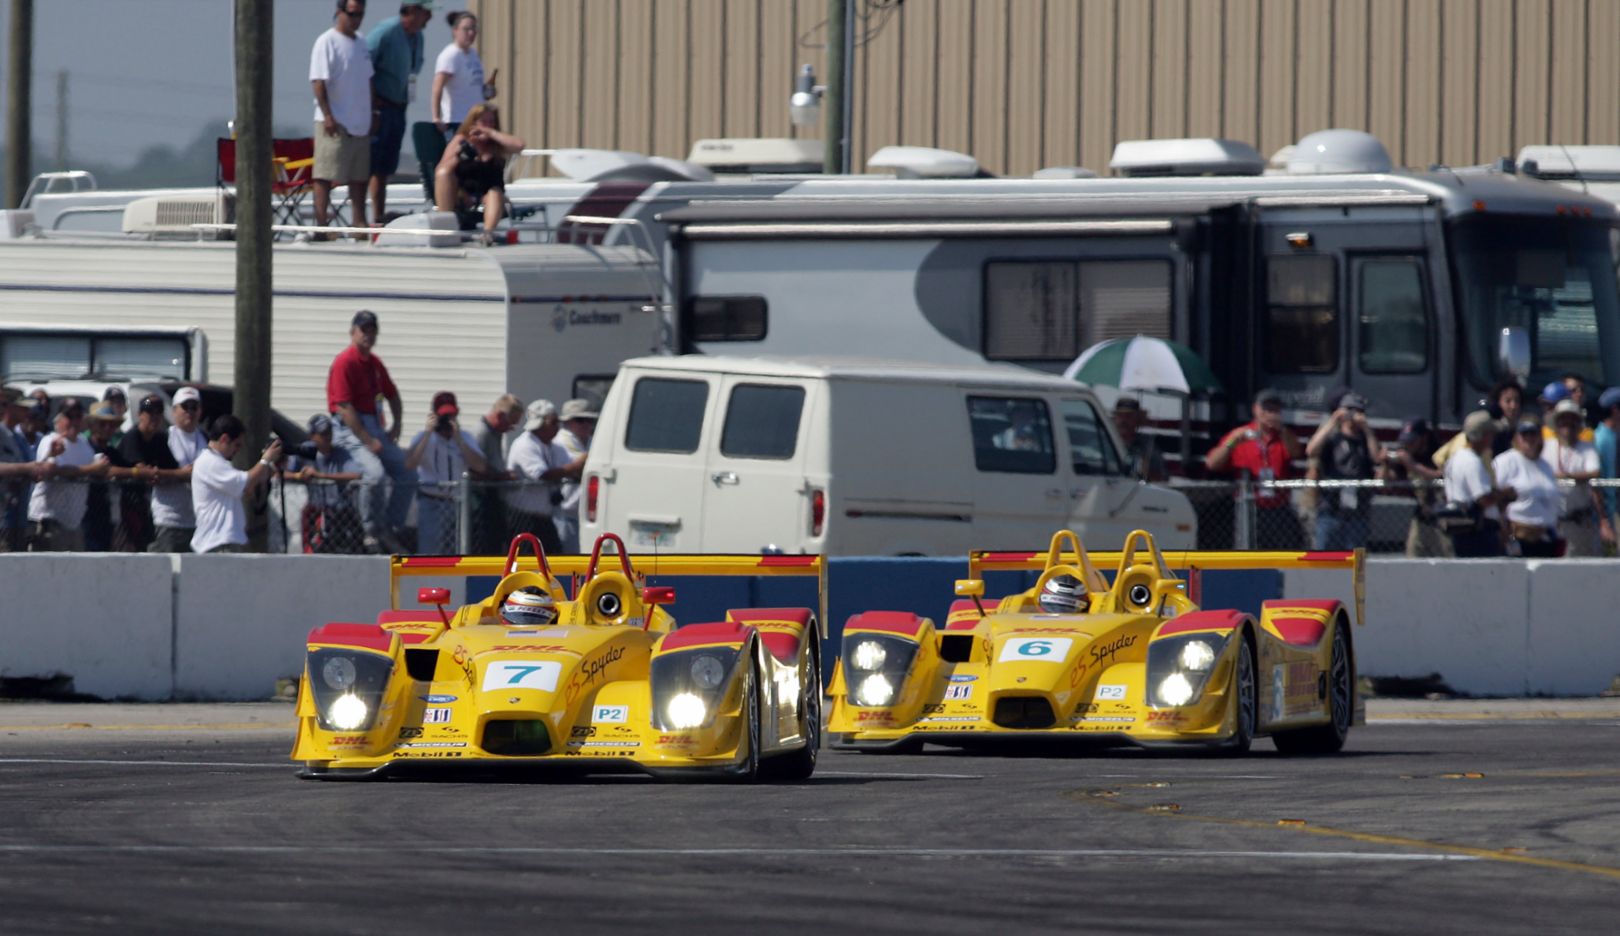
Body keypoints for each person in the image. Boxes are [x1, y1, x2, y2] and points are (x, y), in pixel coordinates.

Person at [327, 310, 413, 553]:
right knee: (374, 474)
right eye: (364, 330)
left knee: (408, 473)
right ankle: (370, 530)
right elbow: (344, 407)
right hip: (349, 427)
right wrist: (367, 439)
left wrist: (397, 424)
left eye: (372, 330)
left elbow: (392, 394)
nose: (368, 335)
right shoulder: (345, 361)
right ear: (352, 332)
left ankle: (390, 527)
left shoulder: (374, 363)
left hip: (372, 423)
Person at [1205, 388, 1306, 548]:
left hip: (1278, 508)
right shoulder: (1240, 435)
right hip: (1248, 507)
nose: (1270, 413)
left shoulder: (1284, 436)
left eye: (1274, 409)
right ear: (1255, 409)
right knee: (1248, 550)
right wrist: (1231, 443)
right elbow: (1212, 463)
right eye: (1266, 409)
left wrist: (1282, 430)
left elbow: (1297, 453)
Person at [310, 0, 376, 230]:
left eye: (361, 14)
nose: (357, 19)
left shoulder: (362, 42)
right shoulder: (326, 41)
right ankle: (321, 223)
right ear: (340, 12)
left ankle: (358, 222)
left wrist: (372, 112)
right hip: (334, 121)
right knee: (326, 173)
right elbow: (318, 82)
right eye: (352, 14)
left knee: (359, 177)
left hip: (360, 122)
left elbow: (368, 80)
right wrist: (328, 114)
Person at [366, 2, 434, 225]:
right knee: (374, 165)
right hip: (381, 107)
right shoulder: (386, 31)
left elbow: (414, 70)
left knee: (387, 165)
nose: (430, 16)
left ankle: (381, 215)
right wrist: (373, 103)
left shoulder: (418, 37)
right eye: (425, 12)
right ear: (412, 11)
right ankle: (373, 216)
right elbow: (364, 63)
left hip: (399, 106)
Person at [405, 391, 488, 553]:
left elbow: (480, 466)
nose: (447, 421)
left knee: (456, 550)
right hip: (431, 501)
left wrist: (458, 439)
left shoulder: (465, 438)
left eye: (451, 416)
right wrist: (428, 432)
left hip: (456, 502)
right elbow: (409, 464)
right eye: (444, 416)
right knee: (430, 551)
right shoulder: (423, 437)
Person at [433, 103, 526, 242]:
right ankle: (447, 225)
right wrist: (463, 153)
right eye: (483, 122)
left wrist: (490, 133)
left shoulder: (496, 144)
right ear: (474, 122)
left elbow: (519, 145)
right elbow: (442, 169)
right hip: (463, 191)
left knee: (494, 194)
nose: (487, 125)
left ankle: (488, 234)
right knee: (444, 173)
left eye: (491, 122)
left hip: (489, 191)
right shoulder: (461, 139)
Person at [191, 415, 282, 554]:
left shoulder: (218, 463)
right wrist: (265, 460)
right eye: (237, 445)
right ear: (224, 439)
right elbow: (245, 483)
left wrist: (265, 469)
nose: (237, 450)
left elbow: (246, 489)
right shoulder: (210, 462)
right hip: (218, 541)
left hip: (224, 540)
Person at [1305, 392, 1383, 550]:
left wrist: (1366, 429)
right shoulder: (1333, 437)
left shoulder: (1365, 439)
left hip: (1357, 511)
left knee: (1355, 558)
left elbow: (1377, 458)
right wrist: (1333, 421)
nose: (1353, 415)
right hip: (1330, 509)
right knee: (1325, 556)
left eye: (1358, 410)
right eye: (1349, 409)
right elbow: (1311, 450)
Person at [27, 403, 107, 551]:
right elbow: (54, 470)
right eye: (70, 417)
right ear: (59, 420)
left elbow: (95, 467)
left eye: (78, 416)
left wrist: (101, 466)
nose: (75, 421)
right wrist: (92, 469)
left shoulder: (83, 442)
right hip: (50, 520)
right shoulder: (51, 441)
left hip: (75, 522)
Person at [284, 414, 364, 554]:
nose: (327, 436)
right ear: (312, 436)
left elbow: (356, 474)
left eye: (329, 432)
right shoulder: (305, 450)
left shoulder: (340, 452)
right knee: (313, 549)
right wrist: (299, 475)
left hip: (339, 511)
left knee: (350, 548)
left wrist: (322, 476)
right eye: (322, 434)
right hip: (316, 509)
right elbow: (283, 473)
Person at [1441, 410, 1514, 557]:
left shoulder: (1455, 459)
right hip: (1478, 532)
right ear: (1481, 436)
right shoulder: (1472, 461)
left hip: (1461, 528)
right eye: (1490, 433)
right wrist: (1505, 494)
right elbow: (1483, 499)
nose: (1492, 438)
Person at [115, 394, 180, 553]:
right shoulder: (133, 436)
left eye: (158, 413)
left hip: (147, 504)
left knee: (146, 545)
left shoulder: (159, 438)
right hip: (126, 503)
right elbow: (143, 470)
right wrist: (167, 474)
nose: (155, 417)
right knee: (129, 547)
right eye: (150, 412)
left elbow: (172, 467)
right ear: (140, 415)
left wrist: (166, 474)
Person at [1542, 398, 1608, 556]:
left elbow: (1594, 473)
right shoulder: (1546, 447)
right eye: (1563, 419)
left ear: (1579, 424)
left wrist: (1566, 476)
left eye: (1572, 419)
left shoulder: (1587, 448)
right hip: (1553, 522)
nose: (1568, 424)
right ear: (1557, 424)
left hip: (1579, 522)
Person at [505, 400, 572, 554]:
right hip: (524, 518)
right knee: (526, 562)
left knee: (554, 557)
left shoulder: (553, 446)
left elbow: (568, 468)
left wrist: (578, 467)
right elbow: (541, 475)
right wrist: (574, 467)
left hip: (544, 517)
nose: (558, 427)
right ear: (541, 424)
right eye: (554, 422)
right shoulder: (525, 444)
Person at [1492, 416, 1563, 558]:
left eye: (1533, 434)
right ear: (1517, 437)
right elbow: (1496, 499)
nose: (1529, 438)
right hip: (1517, 538)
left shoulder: (1545, 466)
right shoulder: (1505, 462)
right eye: (1525, 434)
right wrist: (1502, 531)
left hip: (1545, 537)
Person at [149, 386, 209, 553]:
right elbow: (153, 473)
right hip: (169, 518)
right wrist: (182, 474)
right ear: (174, 410)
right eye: (185, 407)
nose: (190, 412)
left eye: (194, 407)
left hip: (197, 520)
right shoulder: (165, 438)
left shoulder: (205, 439)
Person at [1385, 417, 1450, 558]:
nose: (1408, 445)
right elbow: (1388, 480)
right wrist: (1385, 464)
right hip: (1422, 515)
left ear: (1423, 438)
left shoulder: (1439, 452)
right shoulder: (1406, 454)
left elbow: (1441, 475)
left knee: (1445, 558)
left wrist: (1413, 465)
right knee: (1413, 555)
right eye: (1406, 442)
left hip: (1443, 516)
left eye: (1412, 441)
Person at [470, 393, 523, 554]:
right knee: (484, 546)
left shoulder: (496, 434)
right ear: (500, 416)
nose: (510, 429)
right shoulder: (481, 433)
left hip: (492, 501)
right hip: (479, 503)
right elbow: (473, 468)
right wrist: (501, 477)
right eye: (511, 424)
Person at [431, 10, 496, 136]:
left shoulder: (473, 55)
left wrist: (487, 91)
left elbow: (472, 87)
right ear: (455, 31)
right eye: (466, 29)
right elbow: (437, 87)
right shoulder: (451, 55)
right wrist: (436, 117)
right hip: (457, 121)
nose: (471, 33)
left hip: (476, 121)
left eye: (473, 29)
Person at [81, 402, 135, 551]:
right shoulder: (87, 448)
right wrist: (136, 472)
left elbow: (125, 466)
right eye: (102, 424)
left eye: (111, 425)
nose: (107, 429)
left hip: (109, 514)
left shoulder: (112, 451)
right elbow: (108, 471)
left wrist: (140, 469)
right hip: (88, 513)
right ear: (92, 426)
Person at [0, 389, 47, 551]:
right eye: (23, 407)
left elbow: (31, 467)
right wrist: (26, 468)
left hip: (19, 516)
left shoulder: (19, 438)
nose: (28, 411)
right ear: (10, 407)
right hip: (2, 517)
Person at [554, 398, 597, 553]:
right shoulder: (561, 441)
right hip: (566, 511)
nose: (586, 424)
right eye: (580, 420)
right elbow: (579, 466)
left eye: (589, 420)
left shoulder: (592, 441)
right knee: (567, 560)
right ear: (568, 422)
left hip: (586, 514)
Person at [1113, 397, 1166, 482]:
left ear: (1137, 419)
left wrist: (1146, 471)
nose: (1123, 420)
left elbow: (1161, 477)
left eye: (1128, 416)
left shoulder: (1147, 446)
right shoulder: (1107, 442)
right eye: (1120, 415)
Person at [1594, 387, 1620, 544]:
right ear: (1615, 410)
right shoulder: (1601, 440)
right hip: (1607, 514)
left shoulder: (1614, 436)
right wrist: (1604, 520)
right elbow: (1597, 482)